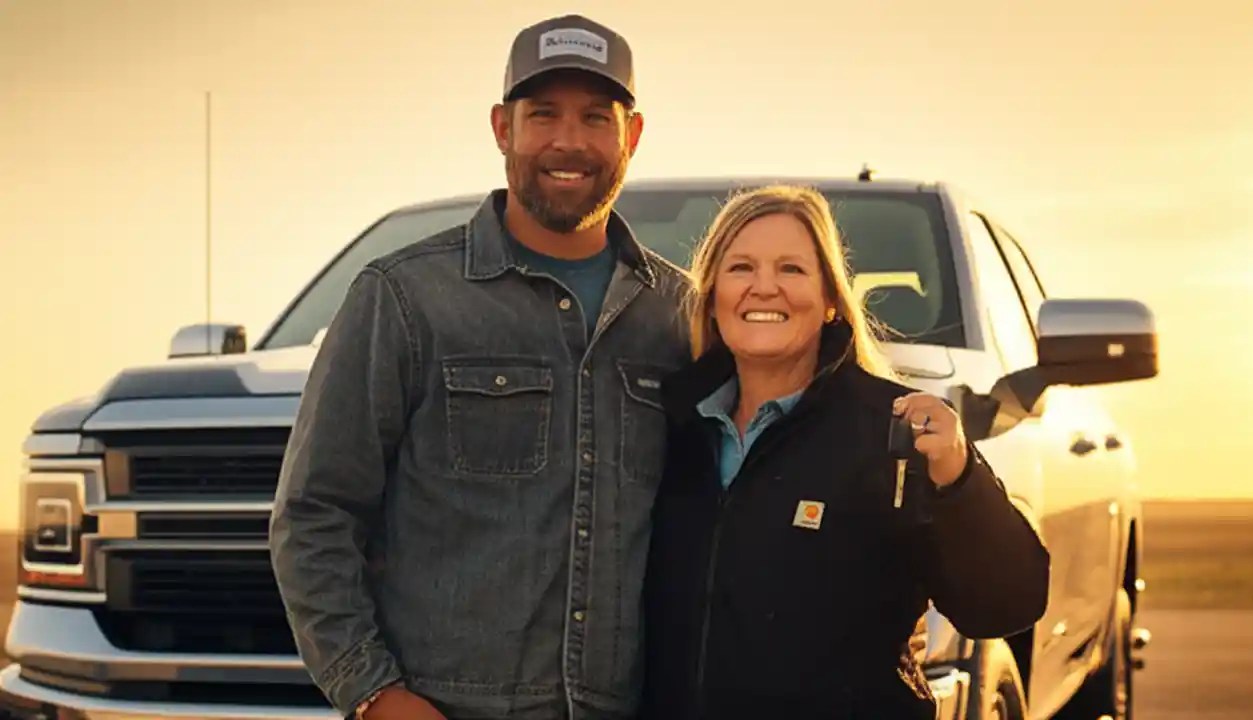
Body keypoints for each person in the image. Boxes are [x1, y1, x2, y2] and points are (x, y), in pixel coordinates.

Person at [268, 14, 689, 720]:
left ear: (632, 136)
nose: (569, 141)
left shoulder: (680, 316)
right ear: (502, 128)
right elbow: (313, 513)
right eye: (543, 114)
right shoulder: (405, 298)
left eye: (595, 117)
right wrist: (370, 691)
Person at [640, 185, 1050, 719]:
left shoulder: (897, 429)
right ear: (713, 296)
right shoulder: (667, 429)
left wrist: (958, 476)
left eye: (791, 269)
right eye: (741, 268)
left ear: (831, 298)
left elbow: (1005, 602)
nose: (764, 288)